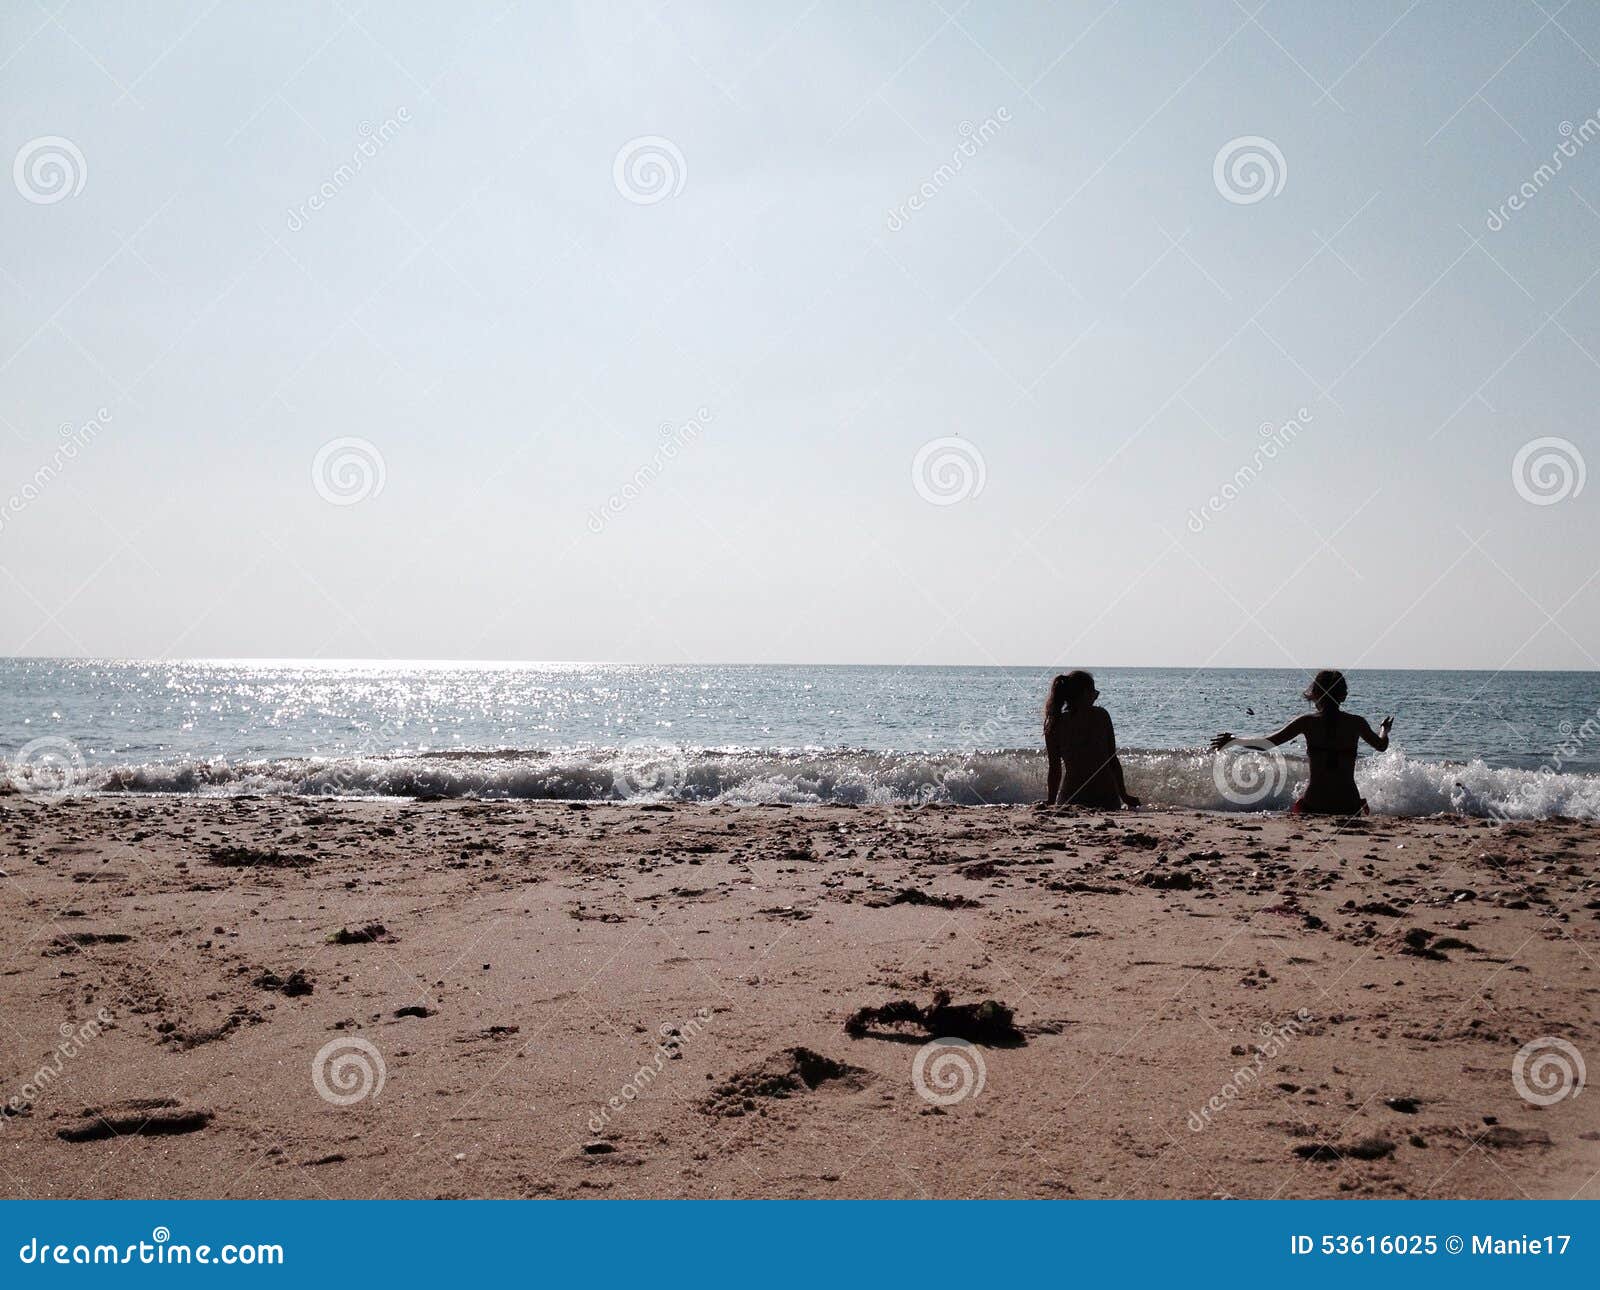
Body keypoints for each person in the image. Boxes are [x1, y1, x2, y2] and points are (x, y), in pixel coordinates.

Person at [1210, 669, 1393, 815]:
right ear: (1343, 696)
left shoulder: (1307, 722)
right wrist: (1384, 729)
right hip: (1348, 805)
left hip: (1315, 804)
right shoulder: (1356, 723)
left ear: (1314, 694)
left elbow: (1267, 743)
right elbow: (1381, 746)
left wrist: (1235, 741)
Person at [1042, 670, 1140, 810]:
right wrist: (1124, 796)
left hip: (1072, 797)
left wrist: (1051, 801)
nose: (1096, 696)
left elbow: (1054, 768)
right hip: (1106, 797)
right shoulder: (1101, 716)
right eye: (1094, 692)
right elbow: (1112, 760)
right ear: (1084, 694)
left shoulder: (1055, 723)